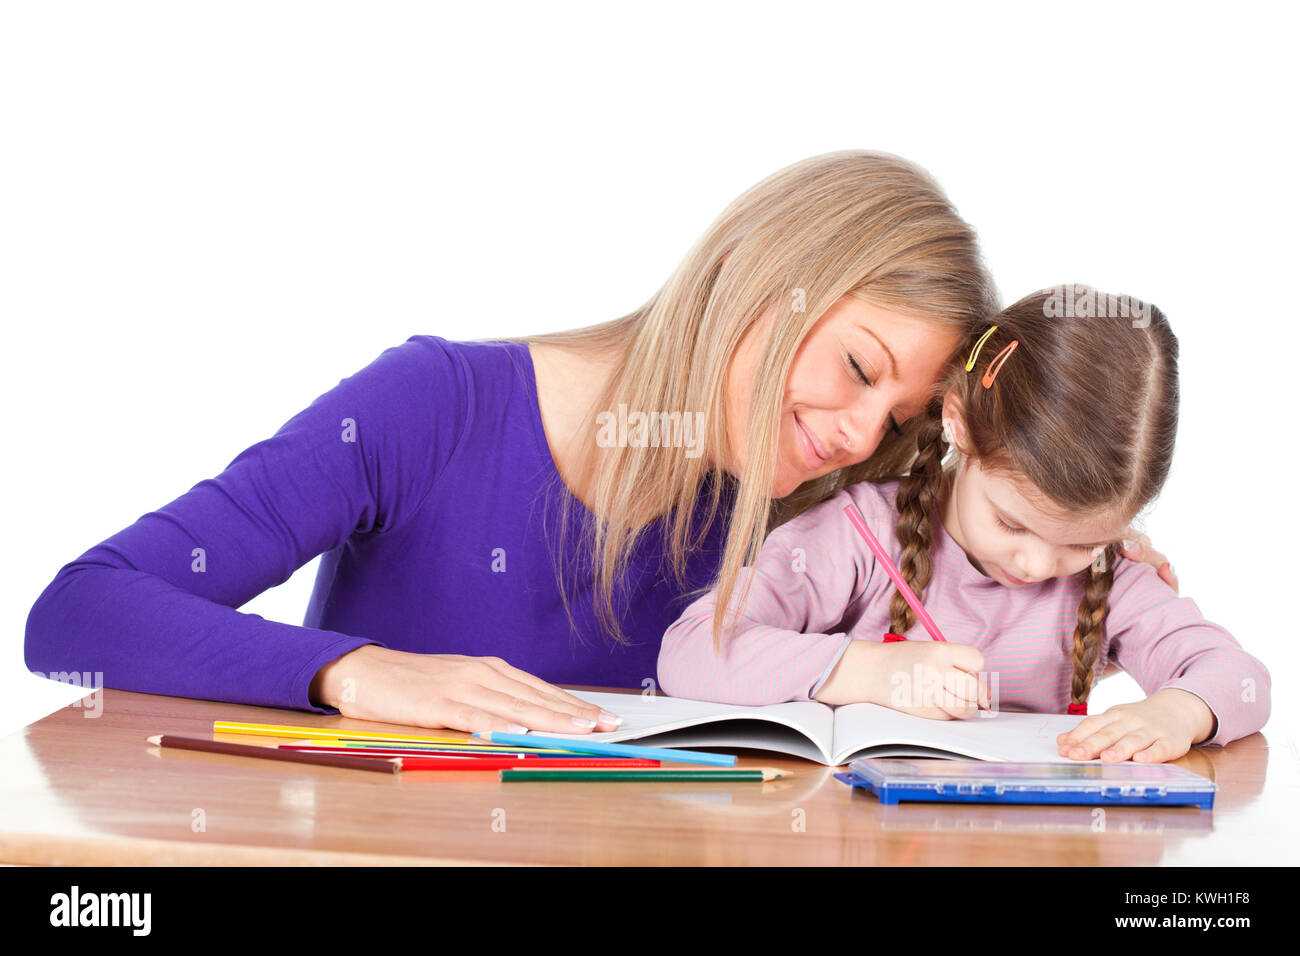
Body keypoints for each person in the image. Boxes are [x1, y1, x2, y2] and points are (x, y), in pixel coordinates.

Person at [25, 151, 1170, 736]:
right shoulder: (434, 405)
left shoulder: (826, 515)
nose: (859, 436)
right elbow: (79, 609)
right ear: (750, 280)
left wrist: (1096, 555)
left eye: (903, 420)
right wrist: (357, 672)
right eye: (858, 368)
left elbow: (999, 515)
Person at [657, 286, 1269, 762]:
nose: (1035, 566)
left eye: (1081, 541)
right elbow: (690, 654)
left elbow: (1242, 680)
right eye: (1011, 522)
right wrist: (868, 671)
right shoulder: (856, 536)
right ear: (959, 424)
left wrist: (1179, 712)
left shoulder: (1114, 576)